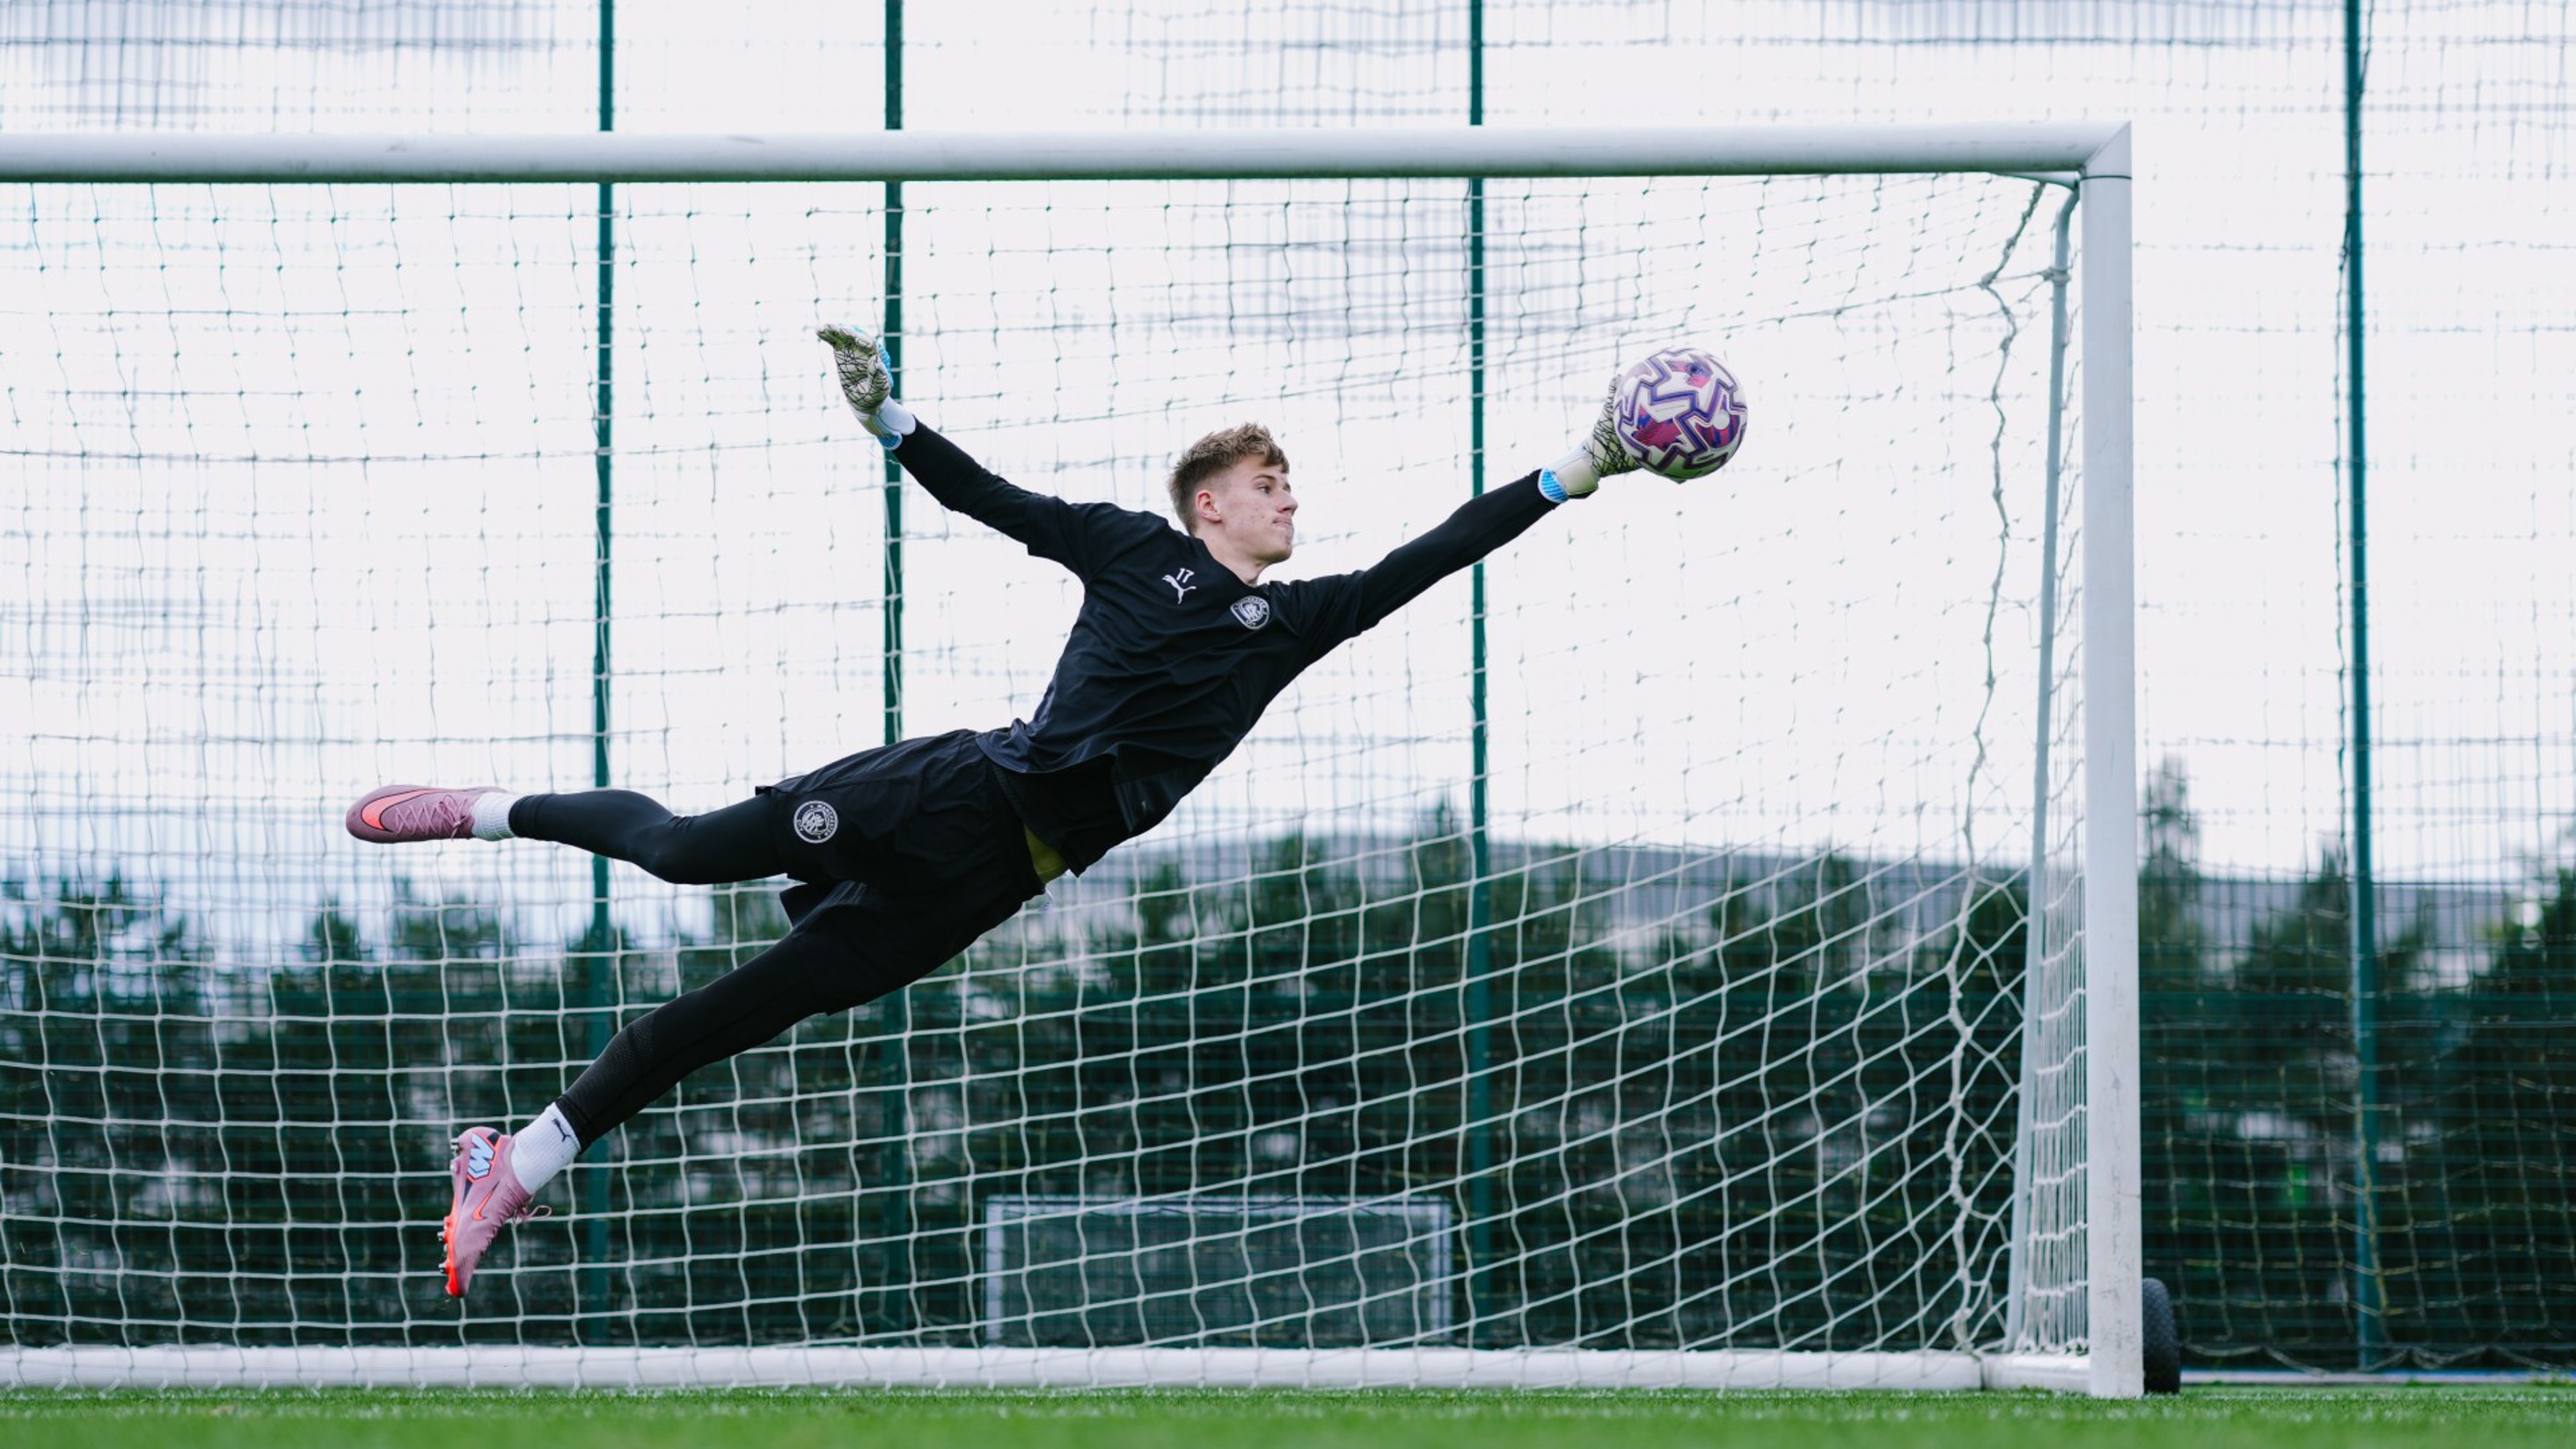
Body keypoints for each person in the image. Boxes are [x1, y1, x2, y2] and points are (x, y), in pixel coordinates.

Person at [346, 326, 1657, 1299]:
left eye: (1291, 484)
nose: (1291, 499)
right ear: (1209, 502)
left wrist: (1579, 465)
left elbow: (1432, 557)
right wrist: (889, 417)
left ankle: (508, 1169)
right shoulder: (1127, 547)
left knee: (727, 1019)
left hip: (995, 881)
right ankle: (491, 807)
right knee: (686, 852)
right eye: (1271, 482)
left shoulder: (1290, 624)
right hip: (948, 791)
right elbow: (991, 500)